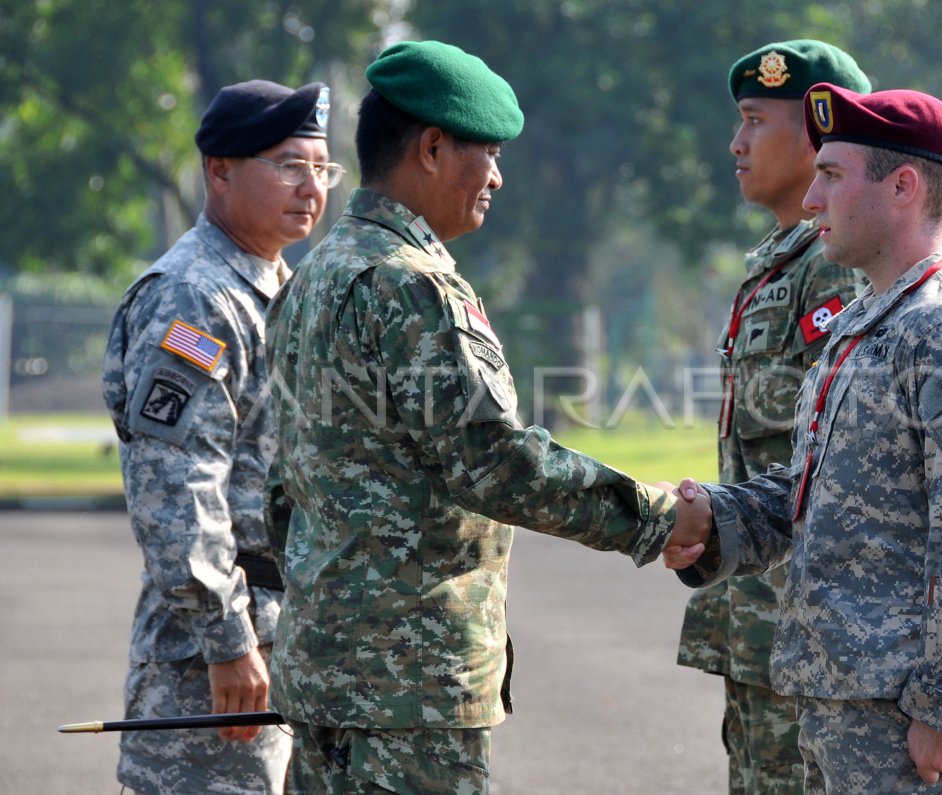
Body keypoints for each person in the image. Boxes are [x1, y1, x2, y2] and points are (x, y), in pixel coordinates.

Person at [263, 40, 709, 794]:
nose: (498, 177)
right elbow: (495, 464)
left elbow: (285, 488)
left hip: (324, 673)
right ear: (433, 149)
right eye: (490, 153)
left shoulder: (310, 279)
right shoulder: (411, 285)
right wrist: (657, 517)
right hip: (406, 685)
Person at [664, 83, 942, 793]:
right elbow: (816, 491)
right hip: (846, 703)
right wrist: (716, 519)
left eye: (832, 176)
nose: (812, 200)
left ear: (903, 187)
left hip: (907, 720)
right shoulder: (866, 324)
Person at [102, 79, 339, 794]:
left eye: (322, 169)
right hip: (212, 657)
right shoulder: (194, 297)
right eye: (289, 166)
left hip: (285, 632)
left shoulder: (277, 287)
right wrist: (227, 640)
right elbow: (176, 486)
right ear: (220, 171)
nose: (311, 188)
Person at [675, 40, 868, 795]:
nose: (737, 142)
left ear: (818, 133)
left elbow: (845, 456)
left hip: (809, 633)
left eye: (756, 120)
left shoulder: (835, 266)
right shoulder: (780, 262)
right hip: (761, 618)